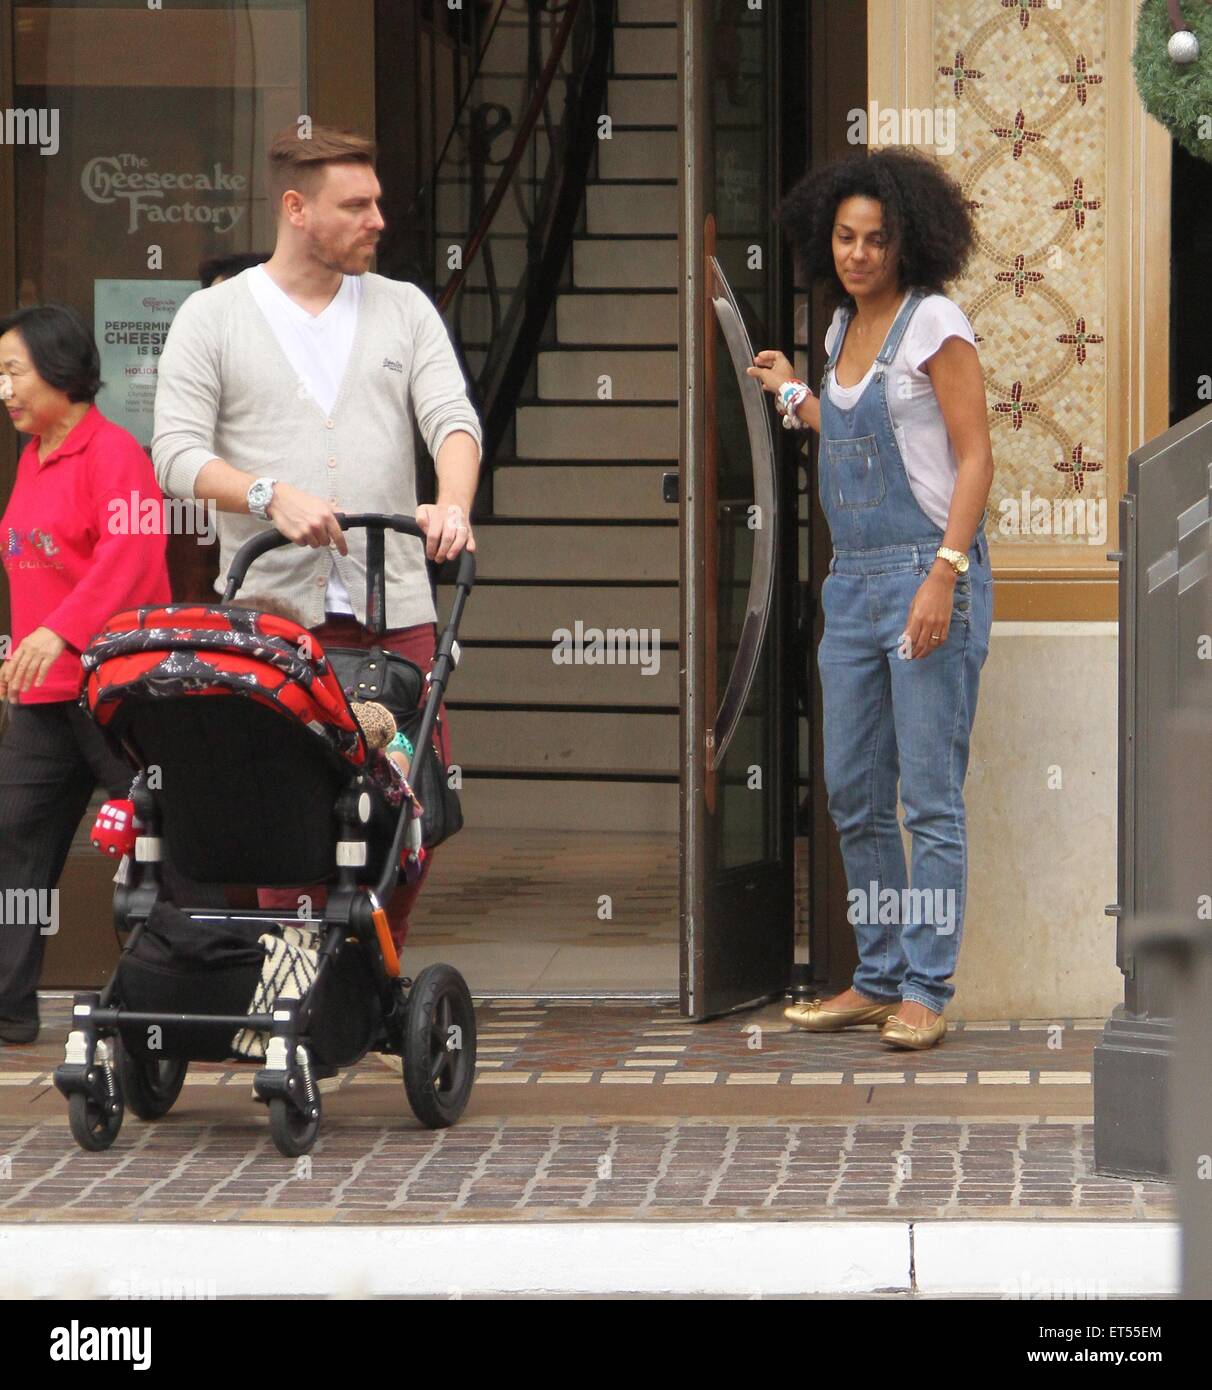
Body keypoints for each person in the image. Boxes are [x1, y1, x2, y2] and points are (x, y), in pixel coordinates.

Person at [152, 124, 481, 954]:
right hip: (274, 616)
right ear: (296, 210)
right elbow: (174, 453)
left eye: (377, 202)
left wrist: (452, 502)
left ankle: (366, 977)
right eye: (357, 205)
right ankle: (296, 996)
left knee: (412, 815)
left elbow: (453, 420)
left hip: (394, 609)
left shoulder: (403, 309)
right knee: (284, 821)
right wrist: (266, 494)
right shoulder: (213, 317)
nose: (379, 219)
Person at [748, 146, 994, 1051]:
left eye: (877, 240)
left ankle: (926, 986)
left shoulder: (936, 325)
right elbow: (847, 422)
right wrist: (793, 394)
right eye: (845, 238)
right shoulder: (838, 333)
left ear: (908, 243)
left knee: (929, 799)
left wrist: (946, 573)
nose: (858, 254)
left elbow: (975, 459)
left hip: (929, 580)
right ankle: (878, 975)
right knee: (852, 792)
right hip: (850, 588)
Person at [0, 304, 172, 1043]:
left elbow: (129, 562)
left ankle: (180, 989)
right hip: (45, 698)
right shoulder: (32, 455)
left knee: (165, 834)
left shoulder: (116, 456)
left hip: (114, 691)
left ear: (60, 371)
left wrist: (56, 633)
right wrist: (25, 648)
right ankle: (8, 1004)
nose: (3, 388)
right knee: (13, 838)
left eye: (13, 371)